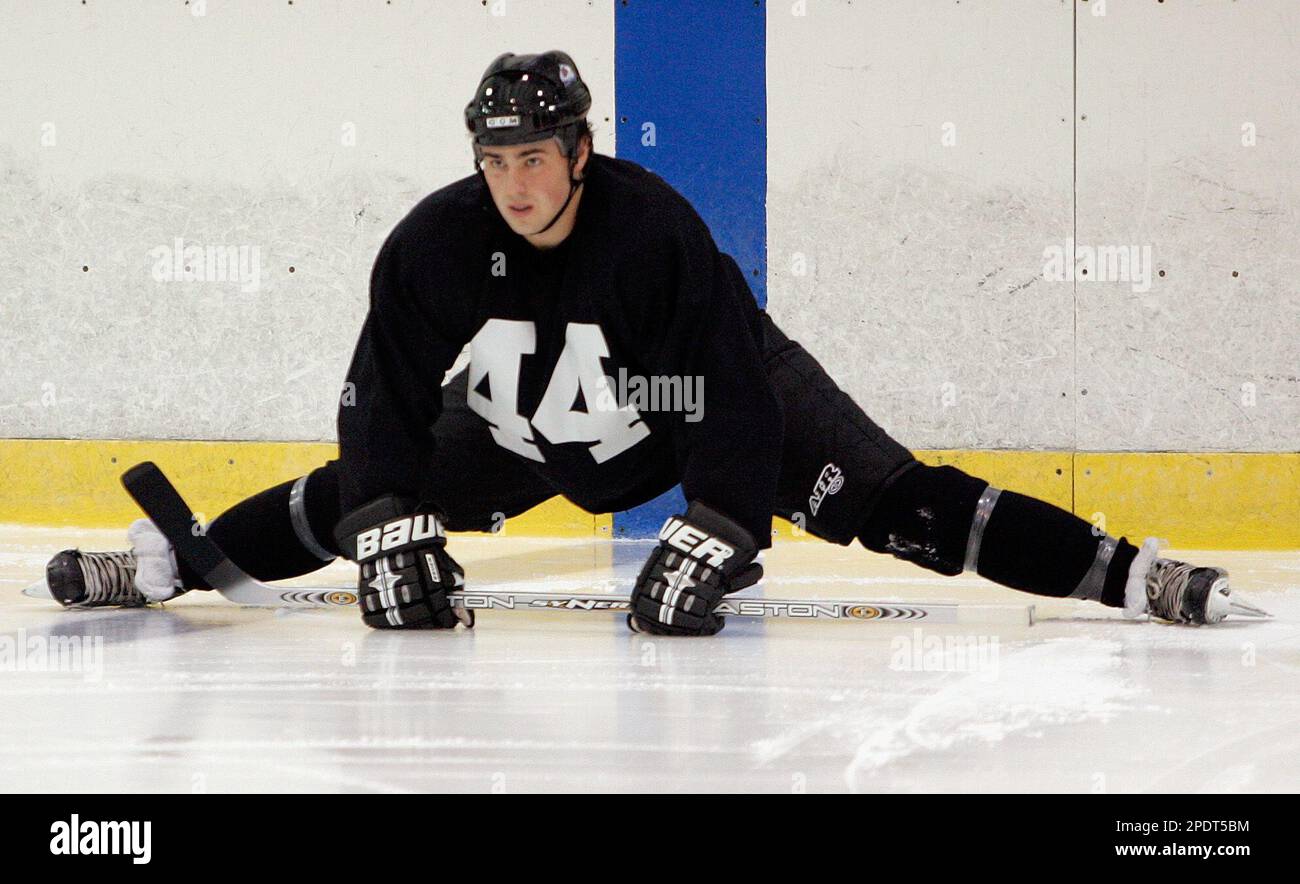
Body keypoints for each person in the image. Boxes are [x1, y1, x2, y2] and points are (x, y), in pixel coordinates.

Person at [46, 51, 1267, 632]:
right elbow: (375, 407)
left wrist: (722, 528)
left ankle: (1130, 571)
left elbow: (736, 402)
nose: (515, 182)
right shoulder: (430, 243)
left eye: (536, 156)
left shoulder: (655, 234)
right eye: (495, 158)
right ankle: (161, 566)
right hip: (533, 421)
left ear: (580, 151)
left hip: (691, 397)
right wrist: (384, 521)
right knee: (364, 495)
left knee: (904, 505)